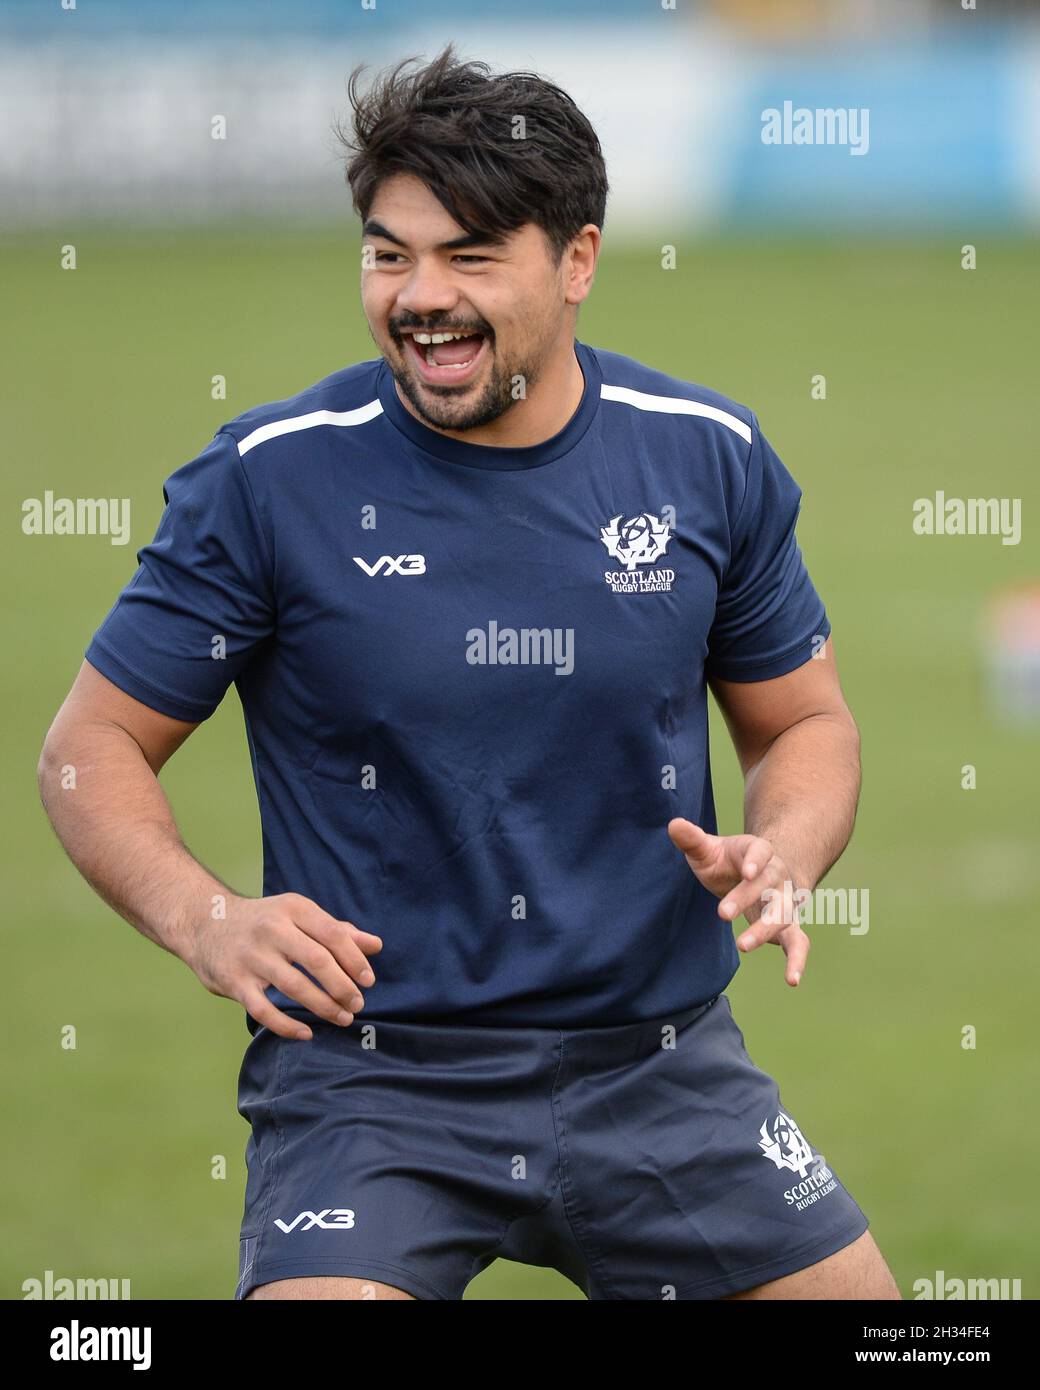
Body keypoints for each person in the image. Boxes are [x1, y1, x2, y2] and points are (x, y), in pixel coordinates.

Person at [38, 45, 899, 1301]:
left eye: (470, 254)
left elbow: (803, 722)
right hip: (373, 1079)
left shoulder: (706, 461)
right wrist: (205, 918)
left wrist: (787, 846)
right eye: (390, 254)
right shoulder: (270, 480)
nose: (418, 295)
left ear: (578, 260)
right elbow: (87, 745)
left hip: (658, 1068)